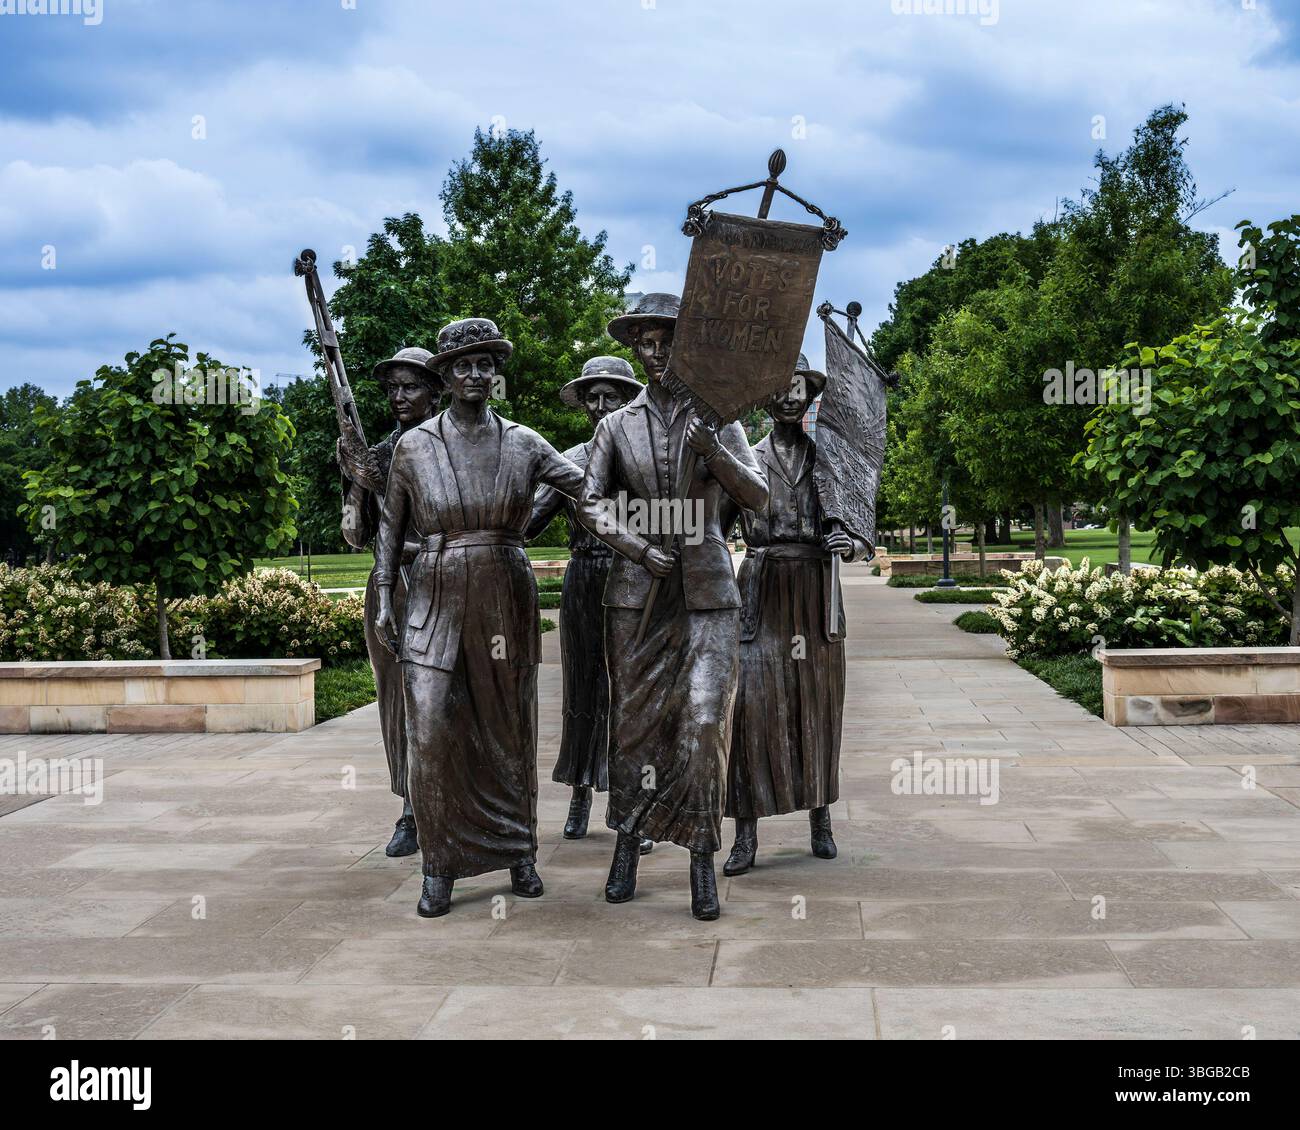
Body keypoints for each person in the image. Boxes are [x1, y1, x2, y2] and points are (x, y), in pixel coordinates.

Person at [373, 318, 585, 918]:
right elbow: (391, 526)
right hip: (434, 591)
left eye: (484, 363)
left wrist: (654, 516)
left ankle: (518, 852)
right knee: (433, 727)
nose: (473, 374)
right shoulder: (415, 446)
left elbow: (588, 490)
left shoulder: (523, 441)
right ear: (445, 375)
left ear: (496, 373)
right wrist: (386, 593)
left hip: (502, 588)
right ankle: (440, 866)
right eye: (461, 364)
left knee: (507, 725)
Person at [577, 293, 768, 920]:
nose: (656, 354)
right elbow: (590, 501)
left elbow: (758, 496)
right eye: (647, 344)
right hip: (637, 597)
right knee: (635, 727)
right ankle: (628, 842)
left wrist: (713, 451)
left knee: (705, 722)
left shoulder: (719, 415)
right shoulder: (615, 426)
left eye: (668, 342)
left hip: (709, 591)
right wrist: (634, 546)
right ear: (636, 349)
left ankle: (700, 855)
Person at [721, 358, 872, 876]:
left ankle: (820, 818)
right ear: (763, 396)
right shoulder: (742, 459)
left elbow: (862, 536)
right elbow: (711, 528)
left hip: (814, 594)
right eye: (779, 387)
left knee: (817, 709)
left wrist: (846, 543)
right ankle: (745, 833)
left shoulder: (832, 461)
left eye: (799, 388)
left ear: (811, 396)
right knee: (752, 713)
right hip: (760, 594)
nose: (789, 396)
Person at [525, 356, 652, 853]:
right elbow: (528, 521)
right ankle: (580, 792)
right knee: (583, 687)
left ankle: (633, 806)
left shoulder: (640, 455)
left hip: (635, 576)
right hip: (584, 577)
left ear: (628, 400)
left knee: (633, 692)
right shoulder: (571, 457)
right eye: (593, 397)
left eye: (612, 396)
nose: (601, 405)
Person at [337, 346, 437, 857]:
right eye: (392, 387)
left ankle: (449, 805)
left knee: (445, 704)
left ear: (433, 390)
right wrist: (356, 481)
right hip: (391, 590)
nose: (399, 396)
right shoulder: (377, 455)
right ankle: (411, 809)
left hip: (442, 581)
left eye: (411, 386)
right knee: (397, 700)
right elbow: (355, 537)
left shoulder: (445, 449)